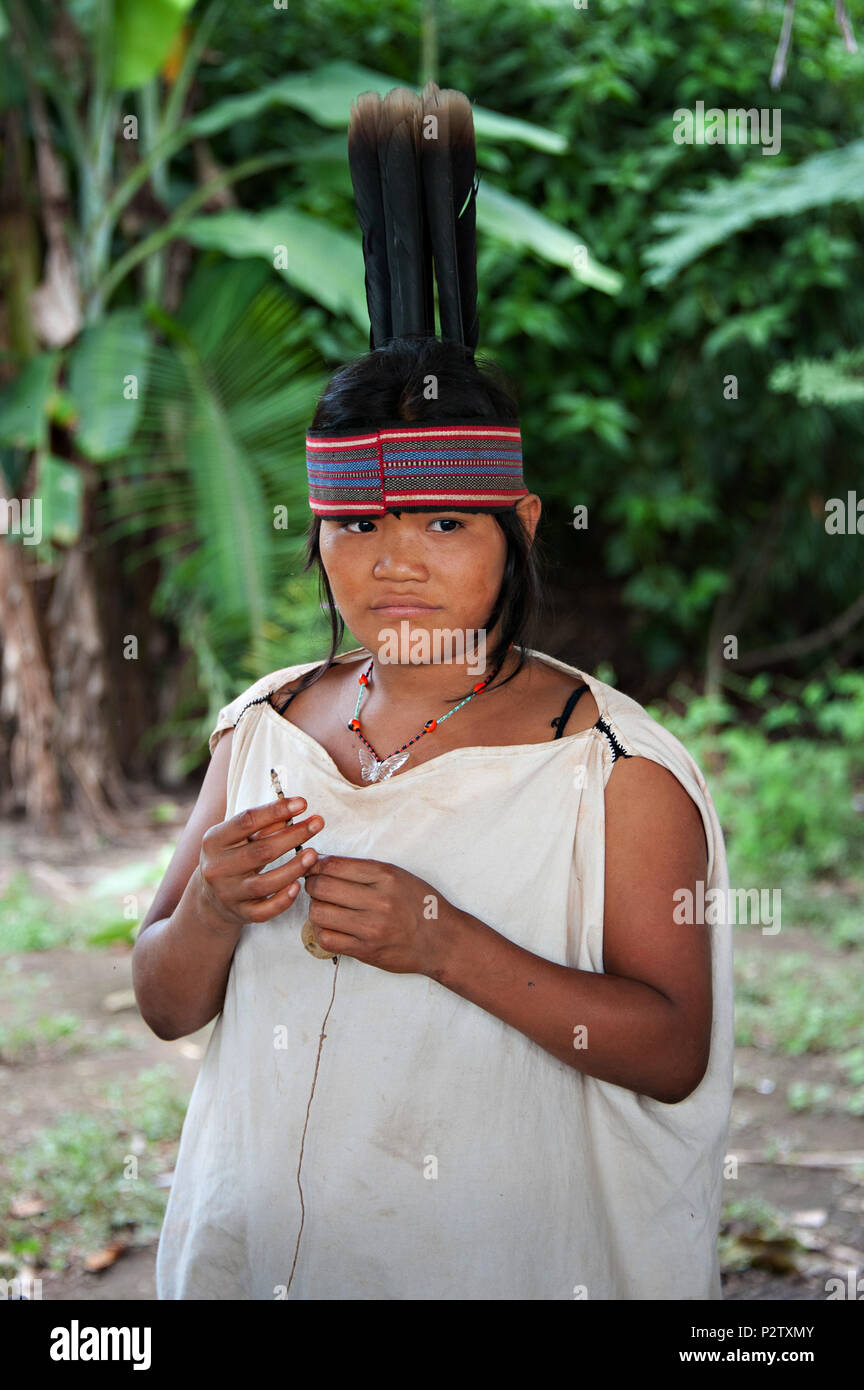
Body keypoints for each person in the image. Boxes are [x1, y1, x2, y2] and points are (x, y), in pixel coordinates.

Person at [134, 85, 733, 1301]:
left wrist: (442, 942)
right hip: (263, 1259)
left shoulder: (612, 772)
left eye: (446, 522)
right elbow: (161, 994)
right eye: (355, 524)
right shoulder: (265, 729)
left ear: (518, 523)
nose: (392, 561)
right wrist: (207, 906)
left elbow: (670, 1052)